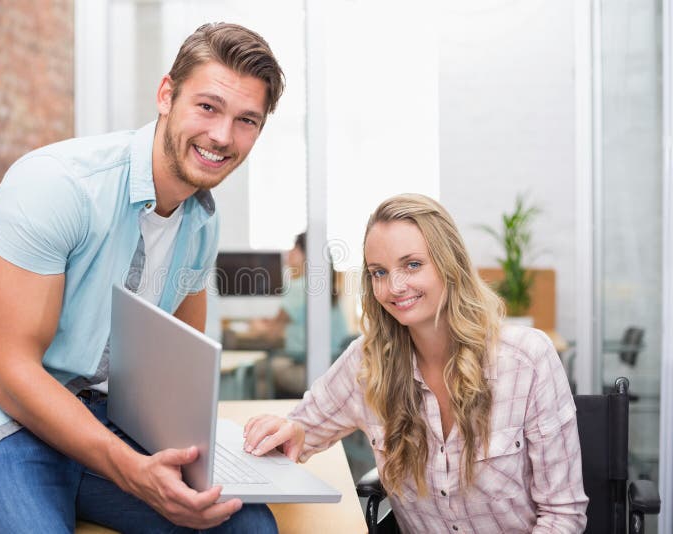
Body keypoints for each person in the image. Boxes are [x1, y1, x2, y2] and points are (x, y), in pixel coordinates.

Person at [0, 23, 284, 533]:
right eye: (208, 107)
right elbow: (11, 372)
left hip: (102, 418)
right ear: (166, 94)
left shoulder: (201, 222)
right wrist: (132, 472)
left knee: (247, 526)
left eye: (246, 121)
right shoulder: (58, 184)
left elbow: (175, 369)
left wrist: (228, 453)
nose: (222, 136)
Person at [243, 194, 588, 532]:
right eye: (379, 272)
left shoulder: (526, 360)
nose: (394, 287)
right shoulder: (368, 362)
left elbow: (563, 516)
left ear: (449, 263)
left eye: (412, 265)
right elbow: (303, 428)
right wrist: (286, 432)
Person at [249, 232, 349, 396]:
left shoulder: (298, 286)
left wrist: (257, 327)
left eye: (293, 249)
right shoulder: (325, 285)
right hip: (336, 369)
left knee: (260, 368)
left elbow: (271, 335)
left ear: (305, 255)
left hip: (310, 370)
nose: (288, 254)